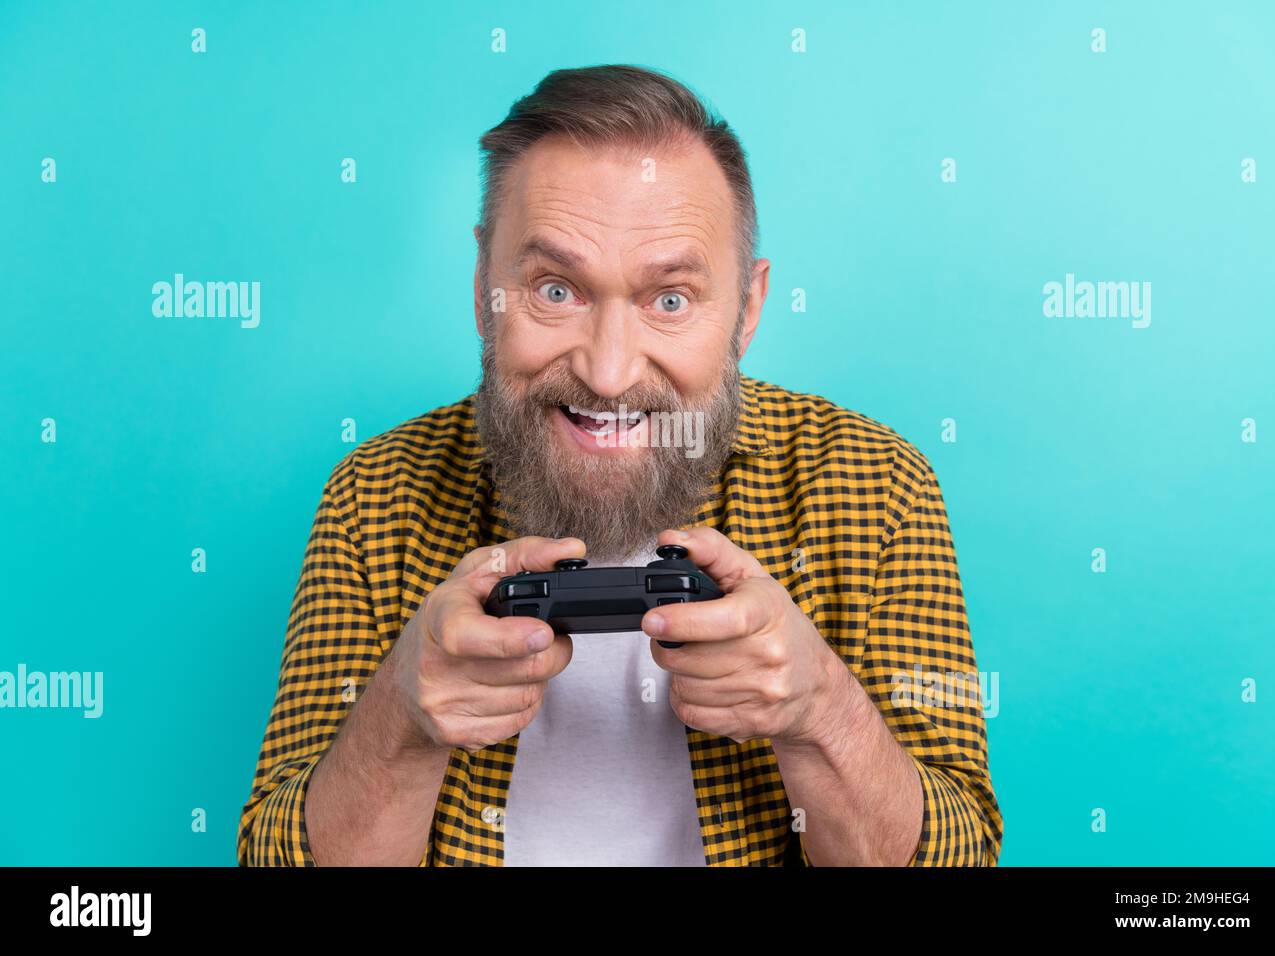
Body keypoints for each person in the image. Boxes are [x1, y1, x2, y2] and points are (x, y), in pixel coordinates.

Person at [238, 64, 1002, 866]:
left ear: (746, 309)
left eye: (669, 300)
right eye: (556, 290)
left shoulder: (874, 485)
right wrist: (400, 716)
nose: (607, 373)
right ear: (481, 287)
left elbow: (961, 855)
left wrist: (818, 710)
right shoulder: (375, 494)